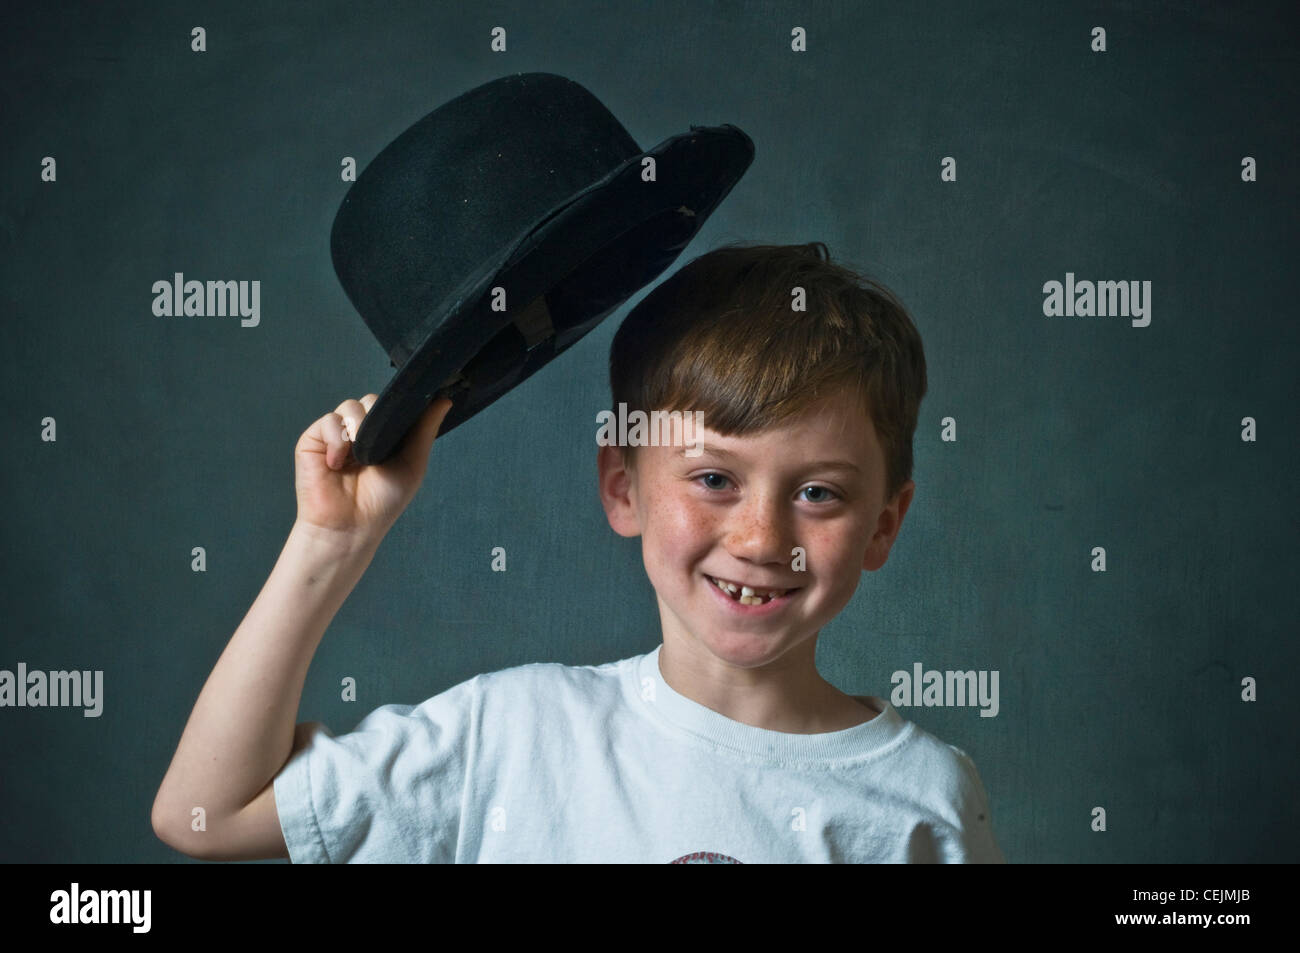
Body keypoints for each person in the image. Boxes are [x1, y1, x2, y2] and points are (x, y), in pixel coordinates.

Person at [151, 240, 1004, 863]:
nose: (760, 539)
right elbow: (206, 813)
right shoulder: (510, 734)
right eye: (713, 478)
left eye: (818, 492)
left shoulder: (924, 798)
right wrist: (328, 544)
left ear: (884, 525)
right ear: (624, 486)